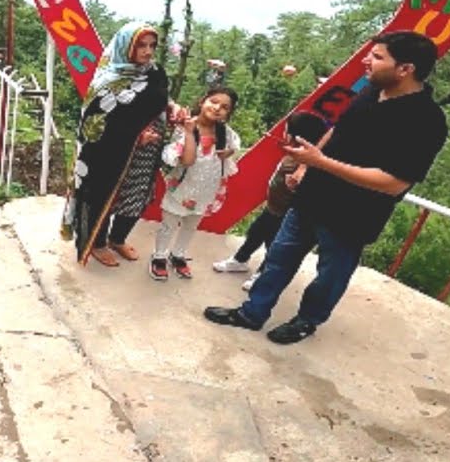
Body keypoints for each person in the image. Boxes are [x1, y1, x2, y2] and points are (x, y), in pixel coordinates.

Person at [204, 31, 448, 345]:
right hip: (311, 198)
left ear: (405, 69)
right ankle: (252, 313)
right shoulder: (371, 91)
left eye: (377, 57)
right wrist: (306, 166)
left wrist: (321, 162)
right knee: (278, 258)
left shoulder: (426, 121)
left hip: (353, 216)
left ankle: (306, 321)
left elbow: (394, 182)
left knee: (330, 276)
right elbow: (337, 130)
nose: (366, 61)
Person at [64, 22, 186, 267]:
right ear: (125, 46)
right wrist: (137, 138)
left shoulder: (155, 72)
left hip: (147, 153)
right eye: (141, 45)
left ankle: (117, 239)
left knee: (137, 196)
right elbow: (95, 125)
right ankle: (98, 243)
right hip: (111, 155)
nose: (148, 51)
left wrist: (172, 107)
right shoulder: (108, 81)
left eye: (152, 45)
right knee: (105, 196)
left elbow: (161, 97)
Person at [212, 110, 328, 290]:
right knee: (255, 233)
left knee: (273, 245)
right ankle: (240, 260)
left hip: (285, 213)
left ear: (297, 136)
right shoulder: (292, 153)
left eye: (287, 130)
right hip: (272, 207)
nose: (284, 134)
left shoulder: (305, 164)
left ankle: (262, 273)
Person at [152, 87, 240, 281]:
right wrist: (190, 133)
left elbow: (234, 146)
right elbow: (187, 160)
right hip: (181, 188)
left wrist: (229, 152)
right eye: (214, 101)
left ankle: (178, 254)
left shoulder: (224, 132)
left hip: (205, 191)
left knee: (190, 226)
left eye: (225, 107)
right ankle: (159, 256)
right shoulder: (185, 127)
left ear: (229, 113)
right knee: (168, 225)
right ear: (202, 101)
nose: (217, 108)